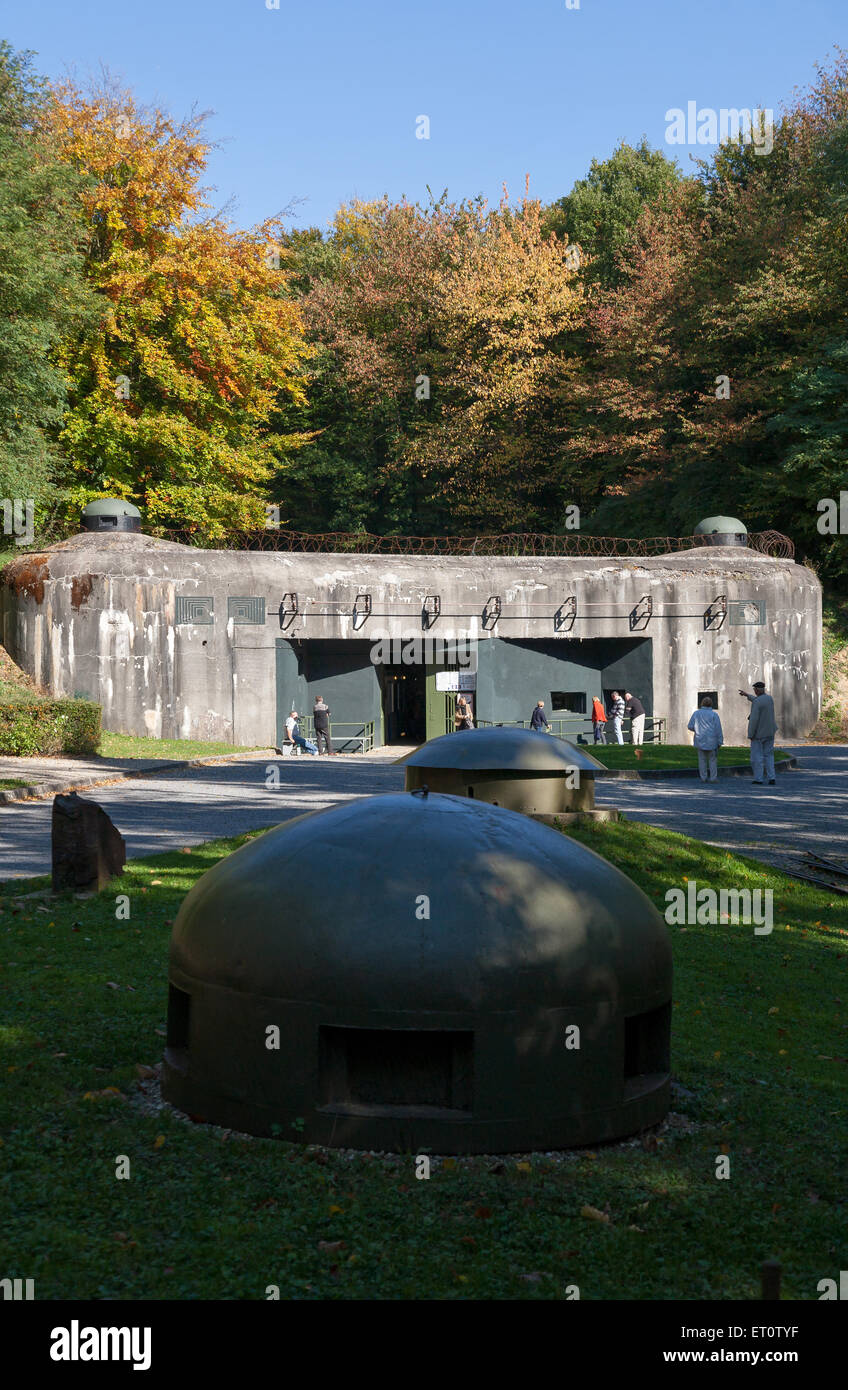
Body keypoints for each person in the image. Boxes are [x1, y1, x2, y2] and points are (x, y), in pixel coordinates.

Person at [739, 680, 777, 785]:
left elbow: (754, 720)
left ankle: (758, 778)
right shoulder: (769, 699)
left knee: (757, 757)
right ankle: (771, 777)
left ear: (757, 690)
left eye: (755, 690)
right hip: (770, 732)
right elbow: (759, 701)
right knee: (769, 756)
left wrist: (751, 734)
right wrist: (747, 695)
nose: (754, 691)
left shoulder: (757, 702)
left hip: (759, 734)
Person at [687, 695, 723, 783]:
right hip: (712, 740)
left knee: (702, 760)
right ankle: (713, 778)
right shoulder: (714, 714)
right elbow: (718, 729)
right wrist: (720, 741)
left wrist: (696, 730)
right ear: (711, 704)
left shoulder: (696, 713)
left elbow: (690, 726)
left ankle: (703, 777)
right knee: (712, 760)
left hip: (700, 739)